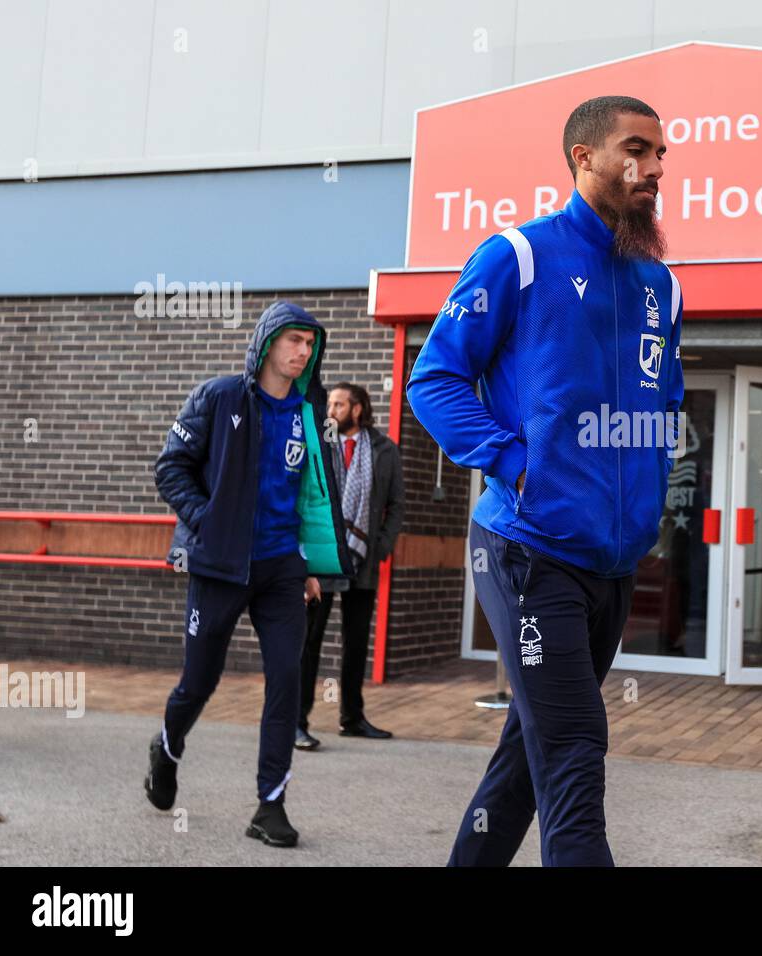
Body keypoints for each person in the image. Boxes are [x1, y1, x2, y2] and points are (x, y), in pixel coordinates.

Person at [406, 95, 683, 867]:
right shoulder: (518, 256)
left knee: (530, 755)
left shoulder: (662, 286)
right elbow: (434, 382)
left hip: (612, 562)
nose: (655, 168)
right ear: (583, 157)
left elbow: (665, 401)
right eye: (638, 150)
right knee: (573, 748)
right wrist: (517, 463)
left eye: (662, 155)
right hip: (528, 552)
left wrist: (646, 498)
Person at [145, 301, 354, 848]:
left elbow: (310, 495)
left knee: (285, 678)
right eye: (293, 340)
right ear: (266, 343)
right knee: (200, 682)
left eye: (310, 343)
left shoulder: (310, 416)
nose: (302, 351)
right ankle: (166, 748)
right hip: (218, 566)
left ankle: (271, 805)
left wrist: (310, 565)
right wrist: (207, 521)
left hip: (282, 568)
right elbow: (170, 467)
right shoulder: (219, 397)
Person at [296, 382, 405, 749]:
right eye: (329, 404)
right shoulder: (319, 445)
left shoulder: (384, 449)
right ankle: (297, 721)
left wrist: (382, 546)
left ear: (357, 409)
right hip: (323, 557)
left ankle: (352, 718)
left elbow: (396, 504)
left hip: (363, 558)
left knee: (356, 642)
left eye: (339, 404)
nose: (331, 410)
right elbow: (304, 496)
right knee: (309, 641)